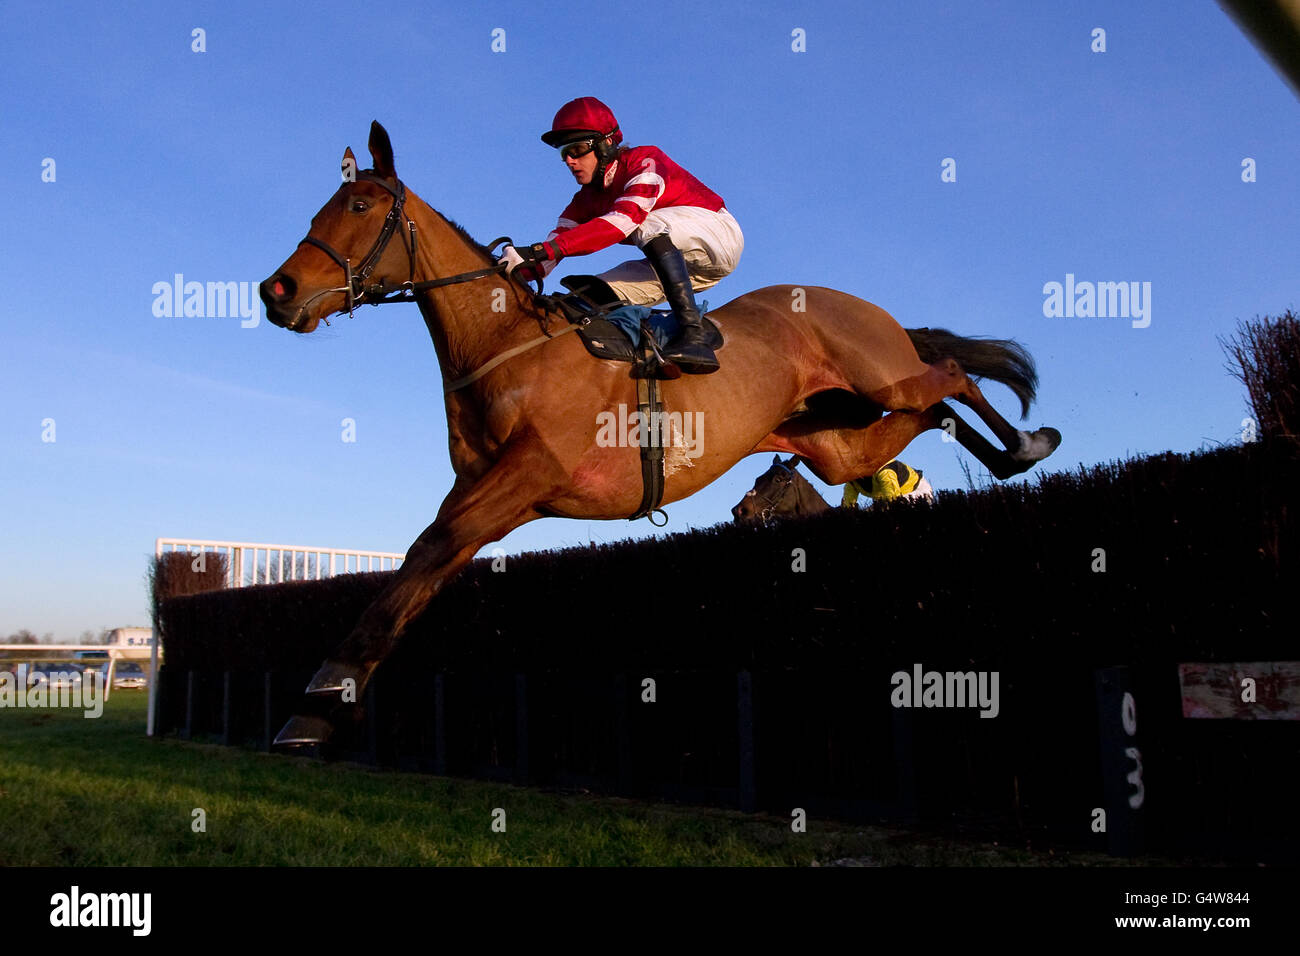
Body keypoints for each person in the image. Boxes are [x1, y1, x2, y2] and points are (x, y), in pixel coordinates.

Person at [497, 96, 743, 373]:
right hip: (686, 267)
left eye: (577, 149)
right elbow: (551, 251)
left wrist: (542, 250)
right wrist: (506, 272)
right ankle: (654, 347)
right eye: (564, 153)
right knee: (588, 296)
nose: (569, 160)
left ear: (606, 144)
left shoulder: (645, 160)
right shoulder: (582, 202)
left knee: (644, 223)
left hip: (718, 236)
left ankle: (694, 336)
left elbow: (623, 221)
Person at [841, 460, 934, 508]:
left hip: (918, 491)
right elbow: (848, 509)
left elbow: (894, 502)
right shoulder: (851, 481)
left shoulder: (885, 471)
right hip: (892, 497)